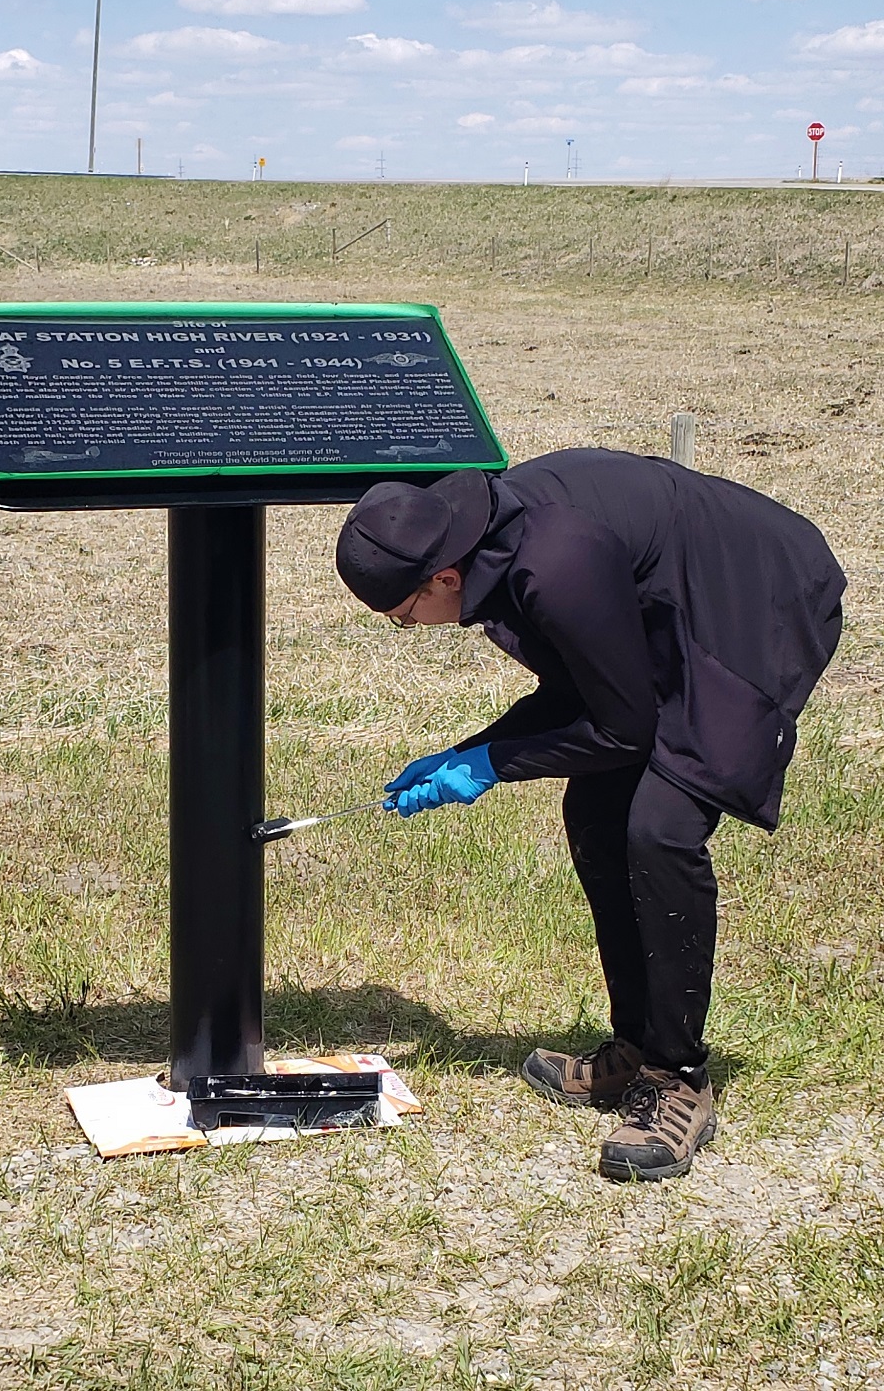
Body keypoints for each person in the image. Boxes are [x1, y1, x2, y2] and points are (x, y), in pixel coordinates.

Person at [335, 448, 845, 1182]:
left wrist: (488, 766)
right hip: (668, 595)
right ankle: (636, 1043)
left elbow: (623, 728)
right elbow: (588, 687)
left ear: (444, 576)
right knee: (598, 814)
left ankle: (678, 1078)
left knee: (660, 827)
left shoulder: (553, 564)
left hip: (751, 598)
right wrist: (473, 748)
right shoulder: (485, 540)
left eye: (404, 616)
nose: (415, 627)